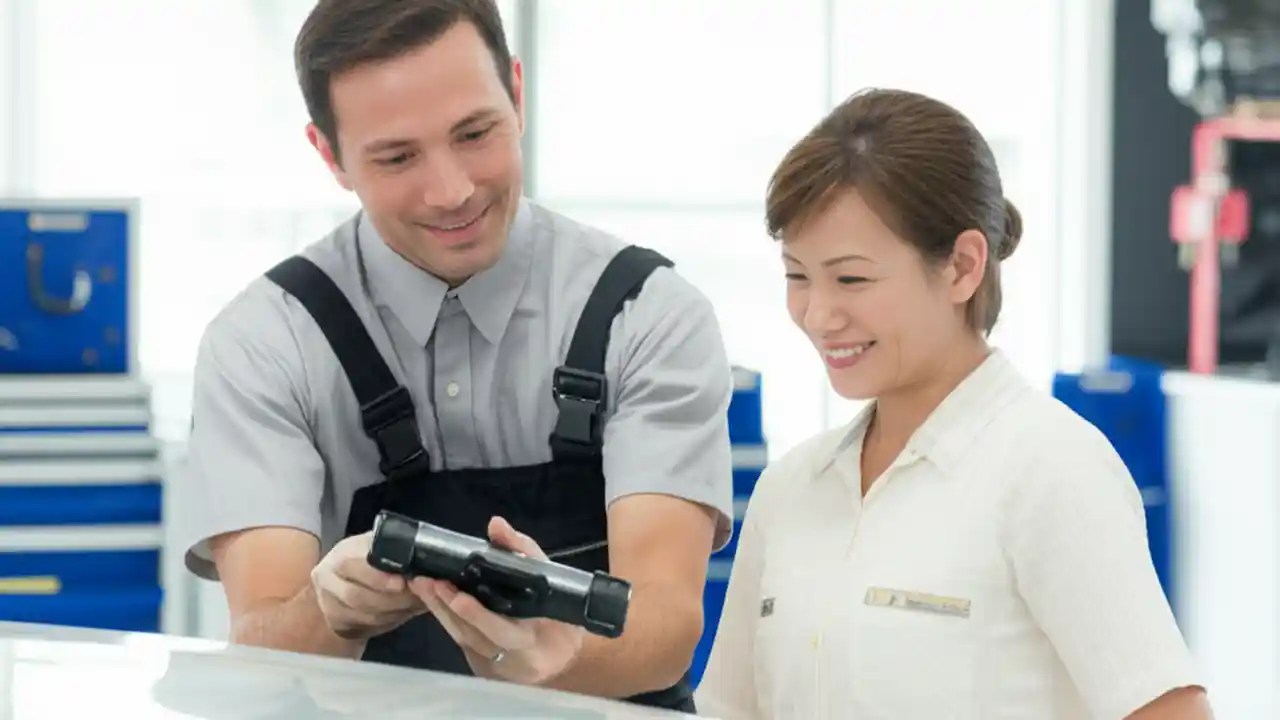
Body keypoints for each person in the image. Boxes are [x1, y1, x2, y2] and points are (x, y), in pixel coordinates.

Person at [177, 0, 734, 712]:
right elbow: (260, 649)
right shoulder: (263, 343)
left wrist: (556, 664)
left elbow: (666, 624)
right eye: (397, 157)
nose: (453, 192)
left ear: (518, 94)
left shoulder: (648, 314)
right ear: (329, 155)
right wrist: (331, 611)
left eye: (474, 133)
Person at [694, 88, 1214, 719]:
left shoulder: (1052, 469)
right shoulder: (789, 491)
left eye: (852, 278)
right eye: (797, 276)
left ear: (964, 267)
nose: (819, 314)